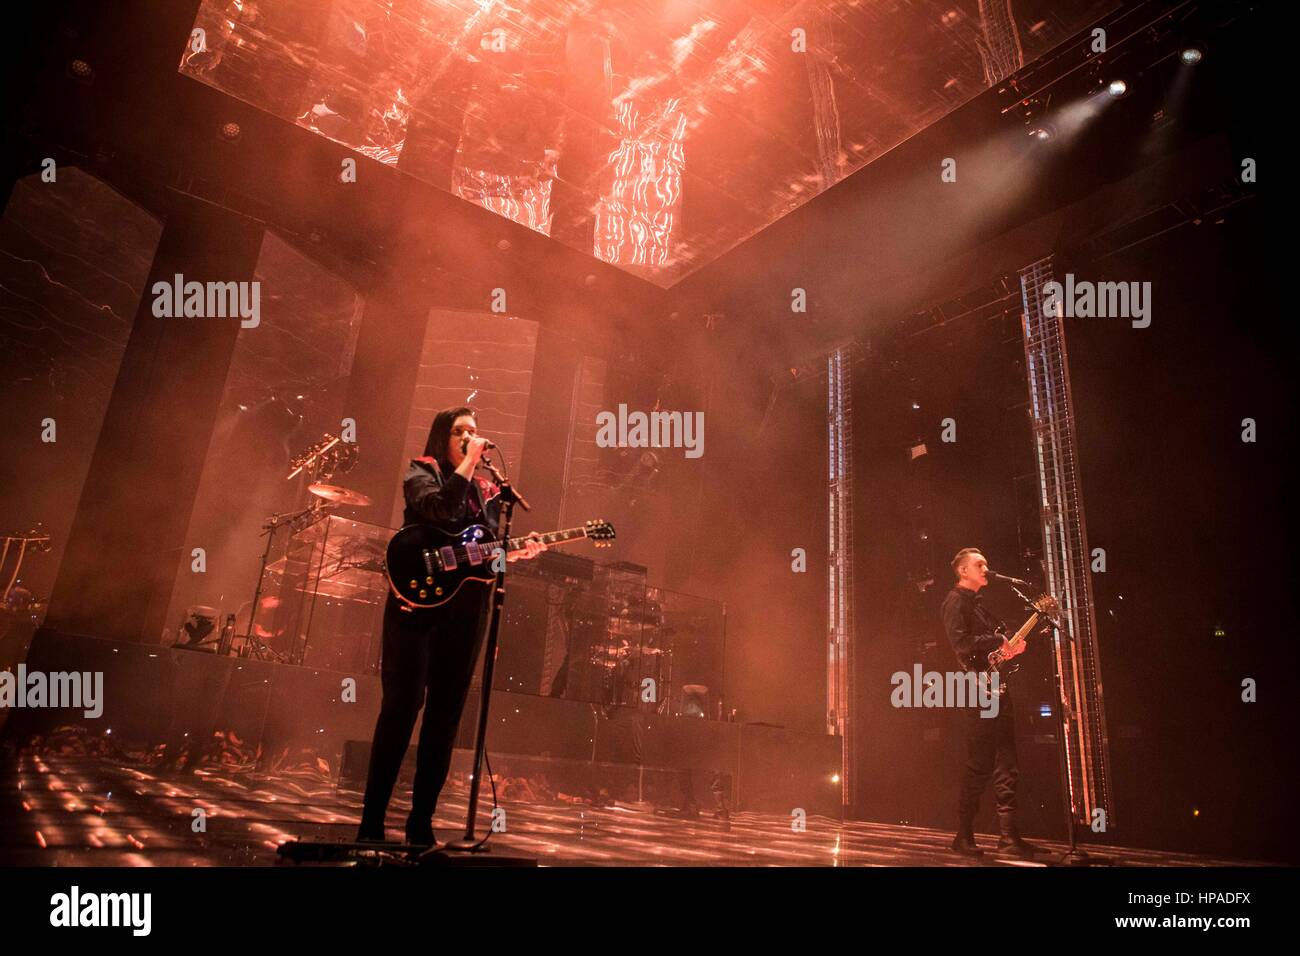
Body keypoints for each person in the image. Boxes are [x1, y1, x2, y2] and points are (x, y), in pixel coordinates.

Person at [356, 407, 546, 845]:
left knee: (445, 718)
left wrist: (512, 553)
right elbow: (438, 512)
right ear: (442, 437)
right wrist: (465, 463)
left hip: (465, 611)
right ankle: (371, 822)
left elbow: (480, 551)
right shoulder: (422, 471)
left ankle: (420, 824)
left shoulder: (490, 489)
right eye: (460, 431)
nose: (470, 438)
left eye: (475, 432)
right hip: (417, 604)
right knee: (402, 709)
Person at [940, 547, 1038, 858]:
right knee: (980, 763)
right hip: (975, 690)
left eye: (986, 564)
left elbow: (993, 648)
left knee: (1007, 763)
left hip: (997, 686)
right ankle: (964, 835)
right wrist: (998, 641)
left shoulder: (980, 606)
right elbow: (961, 645)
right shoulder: (955, 602)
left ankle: (1008, 836)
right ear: (963, 571)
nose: (986, 569)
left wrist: (1012, 647)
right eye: (979, 565)